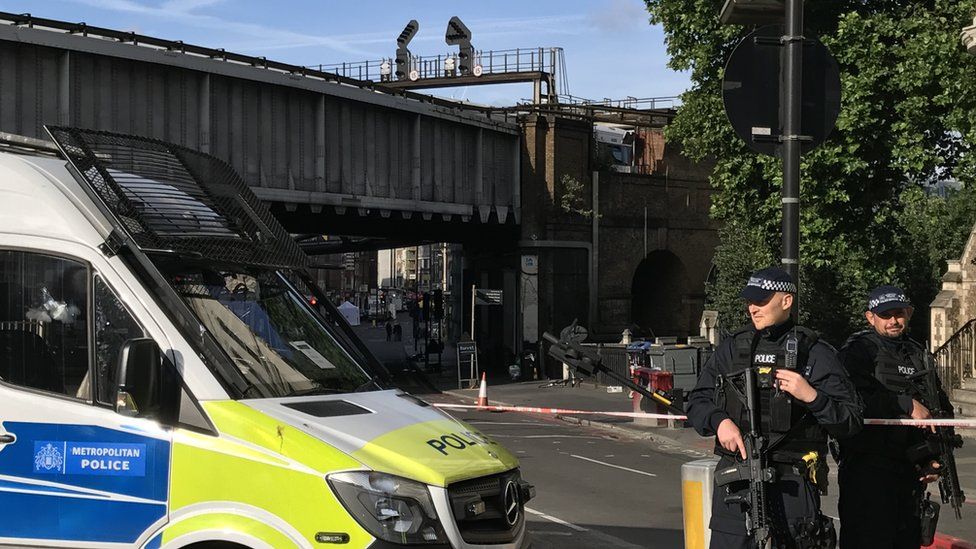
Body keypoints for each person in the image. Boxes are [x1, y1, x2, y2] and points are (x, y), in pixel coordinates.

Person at [687, 267, 863, 549]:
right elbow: (698, 401)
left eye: (761, 300)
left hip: (792, 483)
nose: (752, 308)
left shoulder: (814, 353)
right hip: (737, 476)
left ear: (786, 301)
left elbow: (851, 421)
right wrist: (719, 421)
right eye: (750, 301)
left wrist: (812, 397)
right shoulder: (732, 348)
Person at [837, 286, 953, 549]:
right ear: (870, 317)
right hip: (868, 470)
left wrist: (934, 459)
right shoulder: (858, 351)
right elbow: (850, 400)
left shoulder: (917, 353)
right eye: (885, 315)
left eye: (898, 314)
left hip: (910, 471)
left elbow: (940, 408)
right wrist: (904, 404)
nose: (893, 321)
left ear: (908, 313)